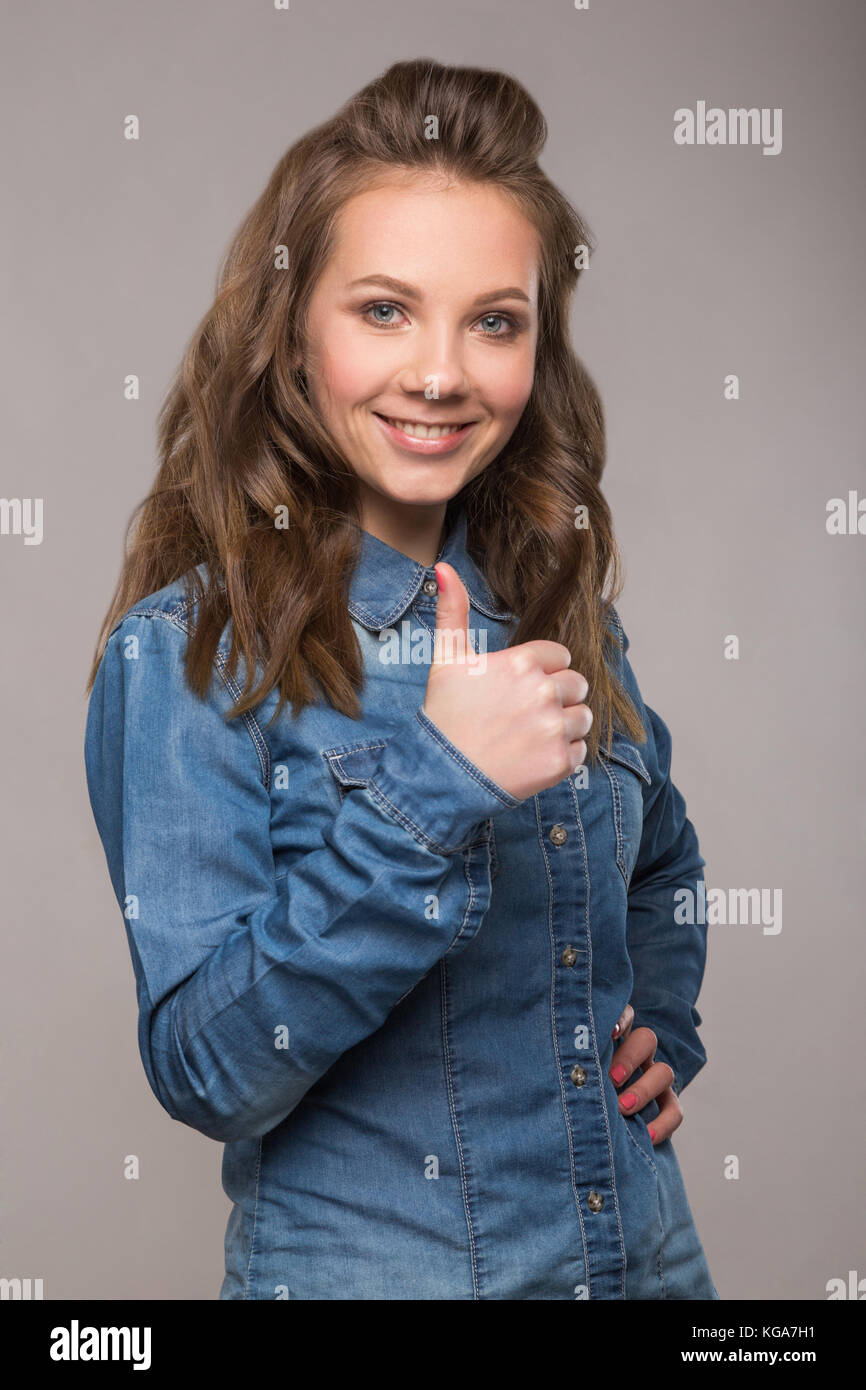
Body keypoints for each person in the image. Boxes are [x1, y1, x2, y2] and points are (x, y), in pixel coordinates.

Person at [83, 58, 718, 1300]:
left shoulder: (558, 602)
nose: (440, 373)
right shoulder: (189, 653)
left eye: (493, 320)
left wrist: (666, 1030)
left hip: (642, 1269)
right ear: (292, 329)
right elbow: (207, 1068)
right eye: (383, 310)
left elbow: (663, 861)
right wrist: (434, 791)